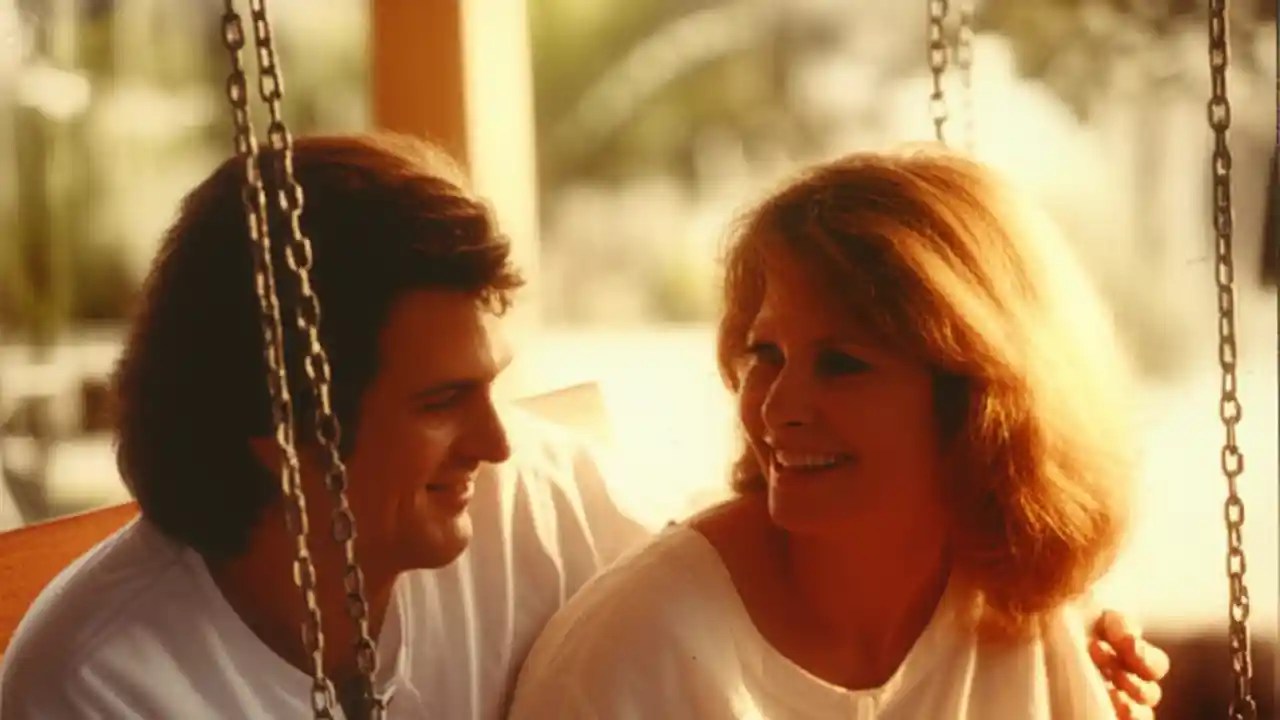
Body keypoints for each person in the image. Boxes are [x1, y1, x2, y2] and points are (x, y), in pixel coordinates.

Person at [0, 135, 1164, 720]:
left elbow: (736, 615)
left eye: (491, 389)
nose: (499, 445)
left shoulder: (532, 500)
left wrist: (1045, 621)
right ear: (281, 433)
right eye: (441, 403)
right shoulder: (103, 683)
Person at [509, 148, 1167, 719]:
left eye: (843, 363)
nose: (777, 407)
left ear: (979, 401)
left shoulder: (1029, 619)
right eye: (765, 355)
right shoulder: (636, 652)